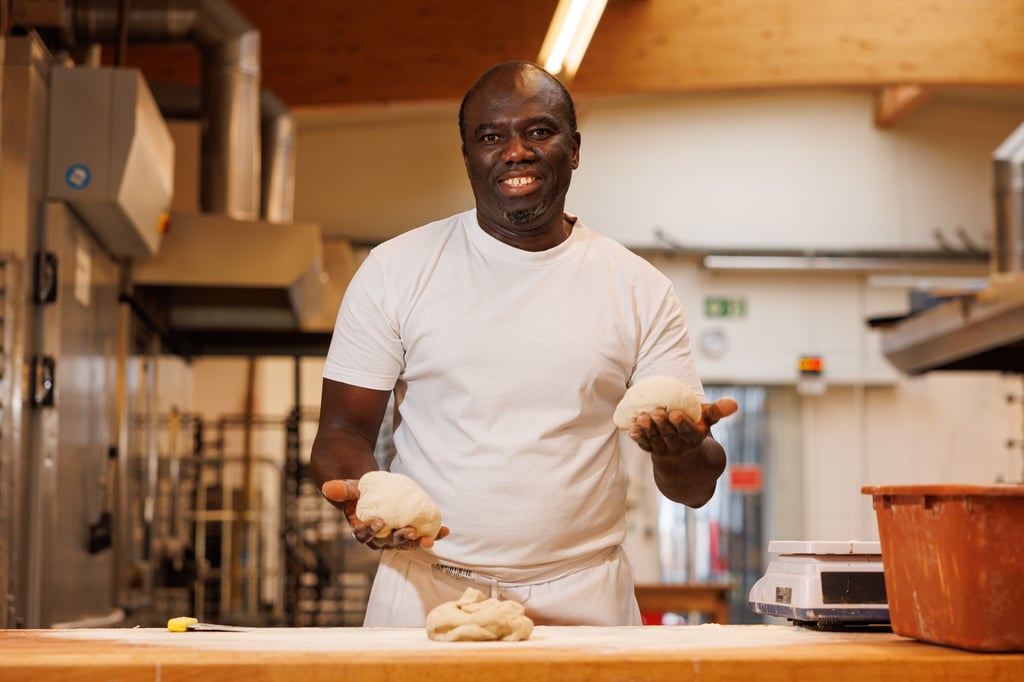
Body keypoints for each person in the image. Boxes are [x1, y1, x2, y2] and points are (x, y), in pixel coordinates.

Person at [310, 60, 738, 627]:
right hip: (426, 588)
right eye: (491, 137)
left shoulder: (638, 288)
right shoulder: (397, 269)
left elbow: (694, 488)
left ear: (575, 148)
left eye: (539, 131)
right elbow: (341, 434)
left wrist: (679, 448)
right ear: (468, 156)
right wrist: (364, 497)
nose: (516, 151)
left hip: (587, 596)